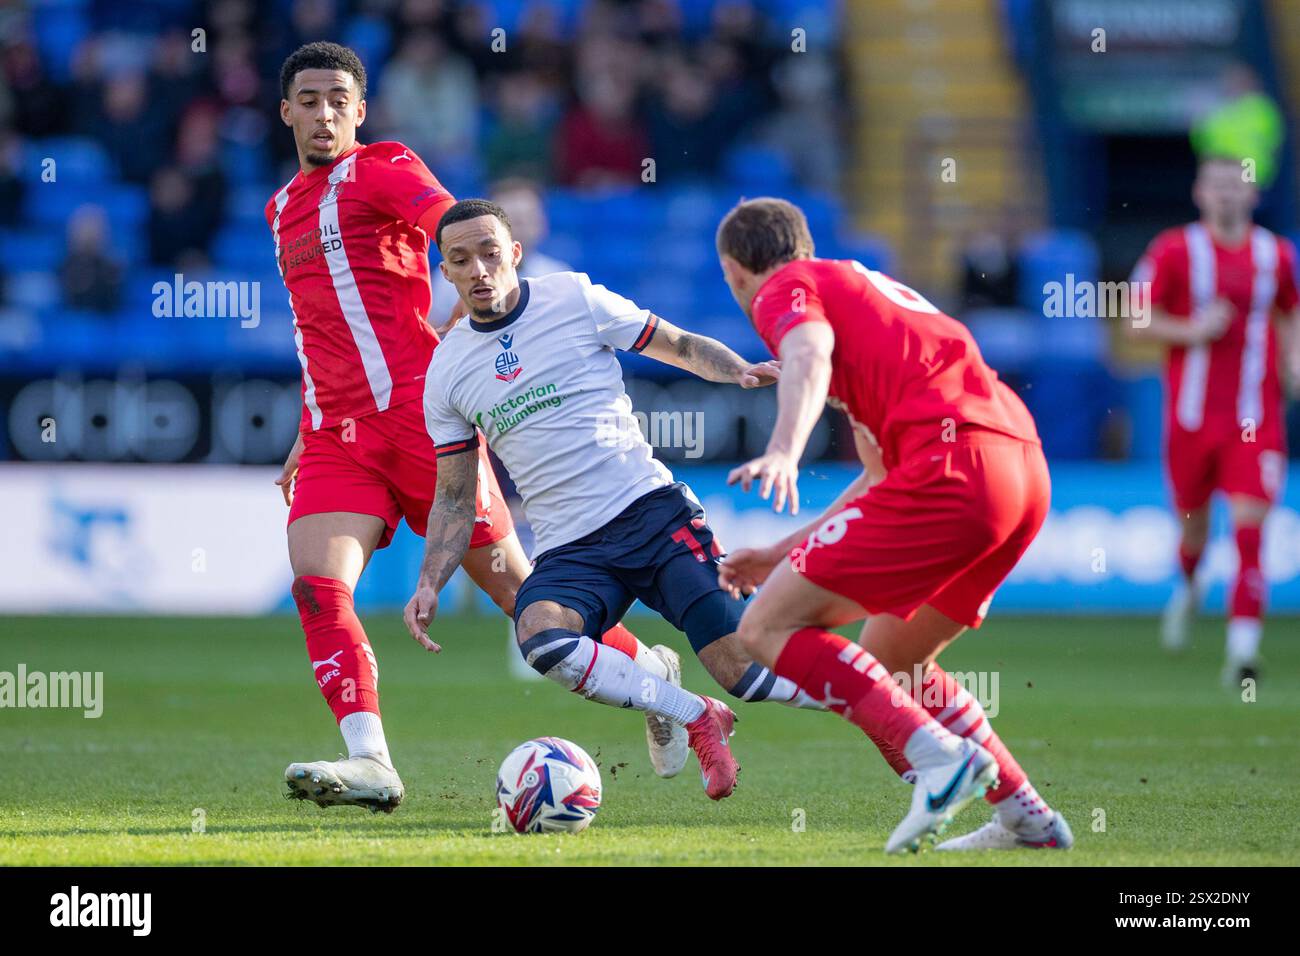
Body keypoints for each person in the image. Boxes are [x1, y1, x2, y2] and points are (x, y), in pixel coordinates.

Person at [266, 43, 660, 813]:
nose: (323, 113)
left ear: (360, 109)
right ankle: (372, 762)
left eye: (337, 99)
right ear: (285, 112)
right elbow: (318, 323)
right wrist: (303, 424)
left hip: (421, 423)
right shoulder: (281, 208)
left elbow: (457, 229)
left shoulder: (382, 167)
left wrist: (460, 335)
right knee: (318, 588)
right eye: (308, 100)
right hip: (333, 435)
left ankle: (650, 676)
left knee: (523, 598)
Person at [405, 198, 822, 803]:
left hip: (651, 513)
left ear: (514, 253)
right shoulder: (446, 371)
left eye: (491, 253)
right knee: (542, 636)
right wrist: (428, 581)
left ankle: (889, 705)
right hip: (570, 548)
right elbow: (454, 495)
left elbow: (675, 343)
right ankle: (694, 713)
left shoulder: (573, 298)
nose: (480, 270)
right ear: (445, 272)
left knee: (748, 673)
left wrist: (736, 371)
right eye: (461, 260)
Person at [715, 197, 1073, 853]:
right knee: (894, 659)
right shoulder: (864, 291)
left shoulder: (787, 289)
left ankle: (939, 760)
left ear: (735, 272)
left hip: (956, 469)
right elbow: (882, 478)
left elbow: (806, 355)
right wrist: (780, 552)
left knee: (764, 628)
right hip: (1019, 470)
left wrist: (784, 450)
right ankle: (1026, 816)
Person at [1129, 155, 1300, 683]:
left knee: (1251, 532)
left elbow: (1290, 311)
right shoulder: (1174, 250)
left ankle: (1242, 655)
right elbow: (1137, 320)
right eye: (1217, 185)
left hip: (1255, 419)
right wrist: (1194, 329)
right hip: (1191, 421)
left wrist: (1293, 362)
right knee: (1194, 528)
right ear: (1200, 194)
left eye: (1237, 186)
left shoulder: (1276, 254)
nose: (1227, 195)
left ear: (1253, 195)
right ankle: (1188, 585)